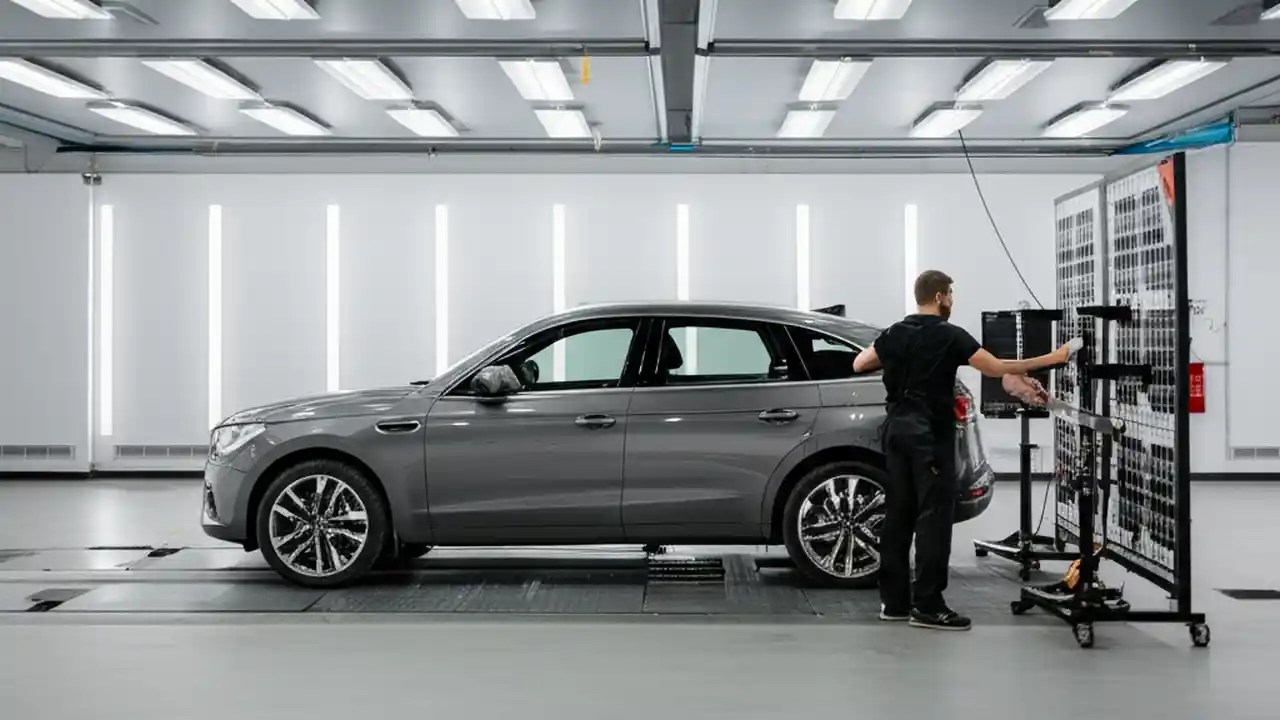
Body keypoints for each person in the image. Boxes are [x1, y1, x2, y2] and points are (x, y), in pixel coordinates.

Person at [852, 270, 1080, 631]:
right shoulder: (949, 335)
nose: (952, 302)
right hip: (930, 435)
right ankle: (927, 606)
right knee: (933, 519)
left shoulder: (895, 332)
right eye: (951, 296)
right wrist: (1058, 355)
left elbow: (860, 363)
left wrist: (899, 361)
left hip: (896, 432)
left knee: (899, 516)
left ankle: (893, 603)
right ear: (941, 296)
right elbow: (998, 368)